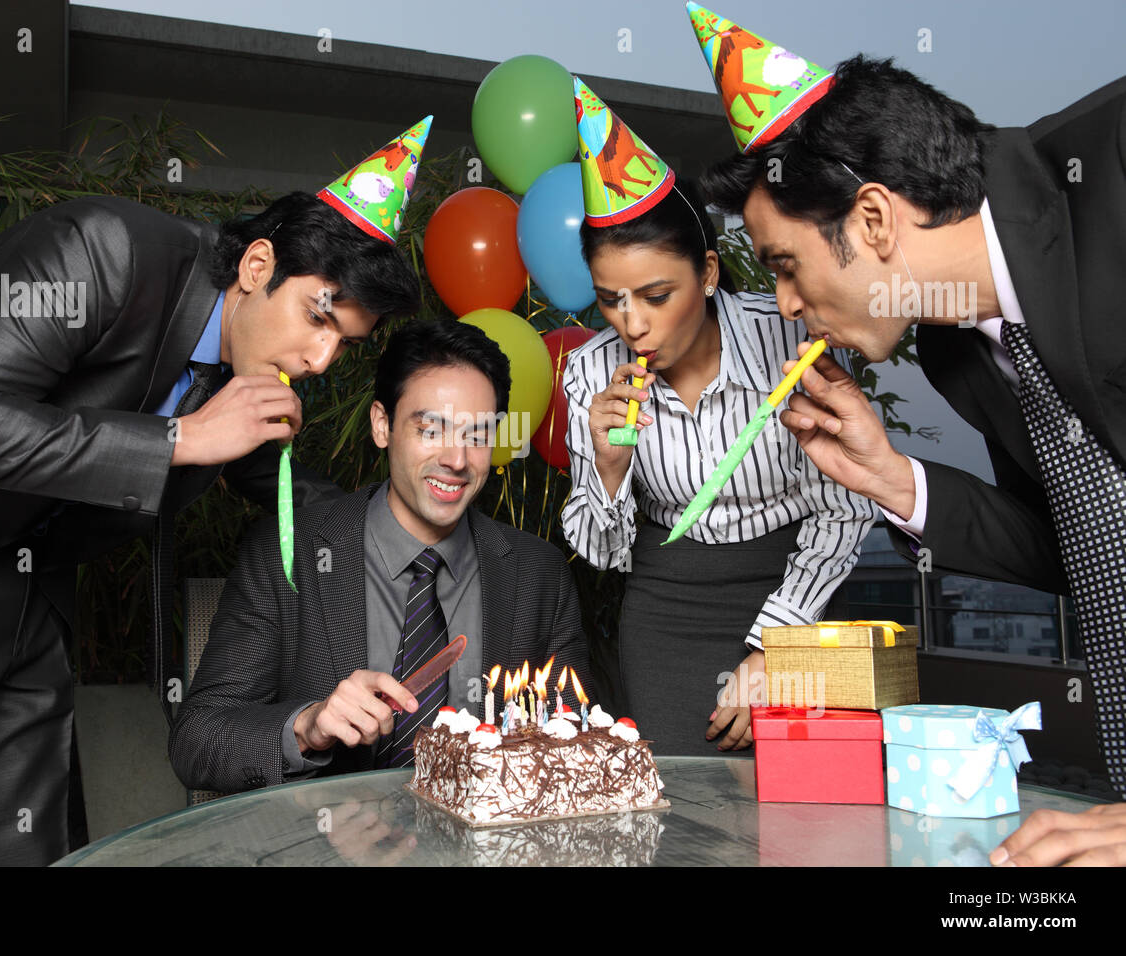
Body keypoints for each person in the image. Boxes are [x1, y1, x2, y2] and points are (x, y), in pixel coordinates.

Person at [0, 118, 431, 865]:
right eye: (316, 318)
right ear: (256, 265)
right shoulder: (103, 249)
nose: (318, 358)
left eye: (344, 344)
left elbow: (269, 479)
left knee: (41, 850)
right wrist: (184, 440)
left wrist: (402, 527)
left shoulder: (241, 364)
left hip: (28, 594)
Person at [698, 41, 1126, 863]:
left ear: (872, 218)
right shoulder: (954, 346)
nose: (786, 306)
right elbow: (1076, 550)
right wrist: (896, 481)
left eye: (785, 265)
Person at [560, 79, 874, 757]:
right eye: (610, 300)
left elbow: (845, 510)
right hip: (667, 609)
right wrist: (610, 472)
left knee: (816, 817)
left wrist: (776, 648)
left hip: (802, 592)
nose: (632, 324)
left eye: (655, 294)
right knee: (682, 826)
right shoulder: (589, 372)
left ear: (707, 273)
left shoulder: (792, 336)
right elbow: (605, 554)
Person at [169, 319, 594, 792]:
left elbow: (576, 742)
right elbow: (197, 741)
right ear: (381, 425)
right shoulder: (288, 554)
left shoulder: (539, 573)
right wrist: (307, 727)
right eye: (432, 429)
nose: (457, 459)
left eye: (477, 435)